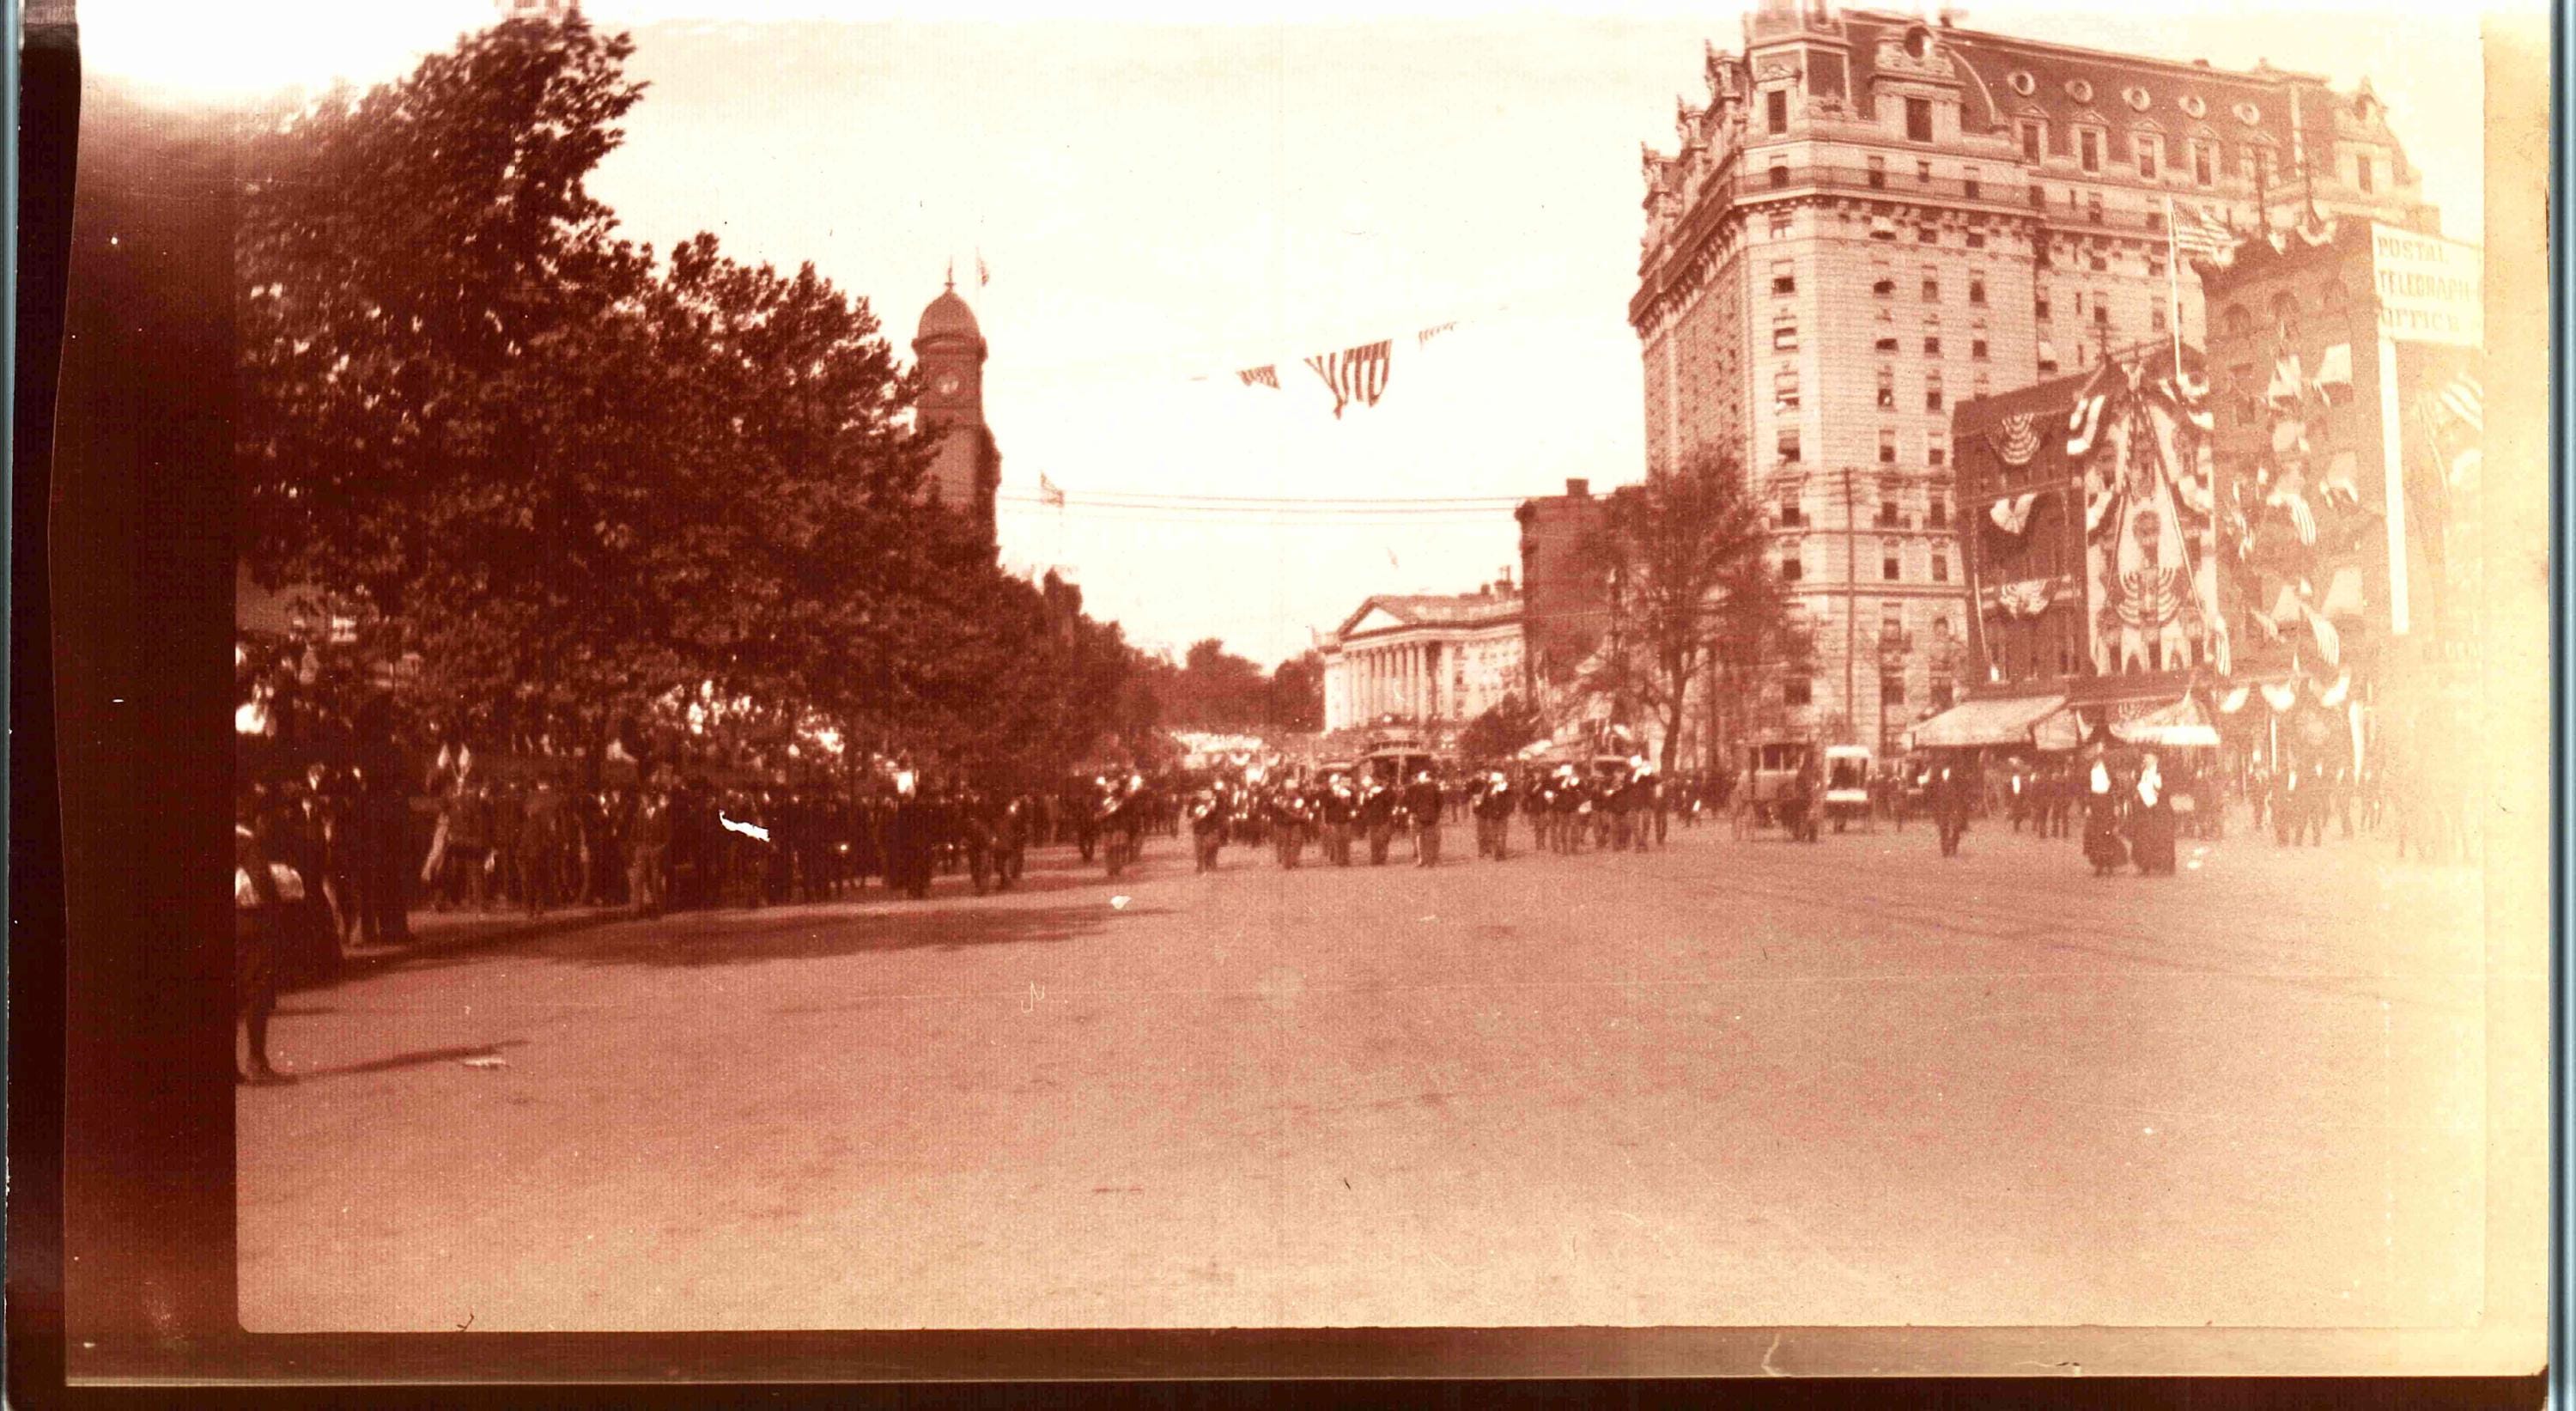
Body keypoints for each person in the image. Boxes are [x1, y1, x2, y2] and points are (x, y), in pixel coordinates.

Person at [235, 800, 291, 1085]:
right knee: (257, 992)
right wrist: (276, 904)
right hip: (251, 927)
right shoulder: (249, 844)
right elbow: (262, 882)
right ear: (255, 819)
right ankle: (257, 1061)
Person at [2129, 753, 2178, 875]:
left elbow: (2169, 788)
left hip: (2160, 810)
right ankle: (2145, 866)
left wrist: (2159, 790)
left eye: (2148, 758)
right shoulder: (2141, 772)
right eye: (2144, 758)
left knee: (2161, 838)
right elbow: (2137, 787)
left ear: (2155, 759)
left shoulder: (2162, 771)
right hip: (2145, 810)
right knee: (2144, 838)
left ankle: (2165, 866)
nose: (2145, 760)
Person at [2082, 759, 2127, 876]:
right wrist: (2087, 805)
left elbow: (2117, 789)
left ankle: (2110, 865)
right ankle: (2099, 865)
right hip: (2095, 803)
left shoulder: (2110, 769)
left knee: (2107, 834)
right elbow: (2086, 789)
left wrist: (2117, 805)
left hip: (2107, 803)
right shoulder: (2090, 769)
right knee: (2095, 834)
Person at [1404, 769, 1444, 867]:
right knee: (1430, 837)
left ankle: (1422, 860)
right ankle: (1430, 861)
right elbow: (1440, 802)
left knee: (1420, 838)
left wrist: (1413, 813)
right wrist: (1436, 813)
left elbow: (1414, 802)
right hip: (1432, 817)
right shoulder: (1436, 787)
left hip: (1419, 816)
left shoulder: (1417, 788)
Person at [1931, 760, 1971, 858]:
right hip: (1942, 804)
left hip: (1954, 803)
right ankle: (1945, 849)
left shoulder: (1956, 774)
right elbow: (1933, 789)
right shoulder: (1937, 774)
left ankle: (1954, 845)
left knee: (1956, 826)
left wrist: (1960, 800)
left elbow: (1962, 787)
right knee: (1943, 827)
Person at [1473, 770, 1513, 861]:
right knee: (1494, 834)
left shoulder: (1506, 788)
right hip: (1492, 814)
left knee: (1502, 834)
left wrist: (1507, 810)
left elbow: (1510, 800)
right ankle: (1496, 853)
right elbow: (1485, 801)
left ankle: (1501, 853)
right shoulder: (1488, 787)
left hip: (1502, 814)